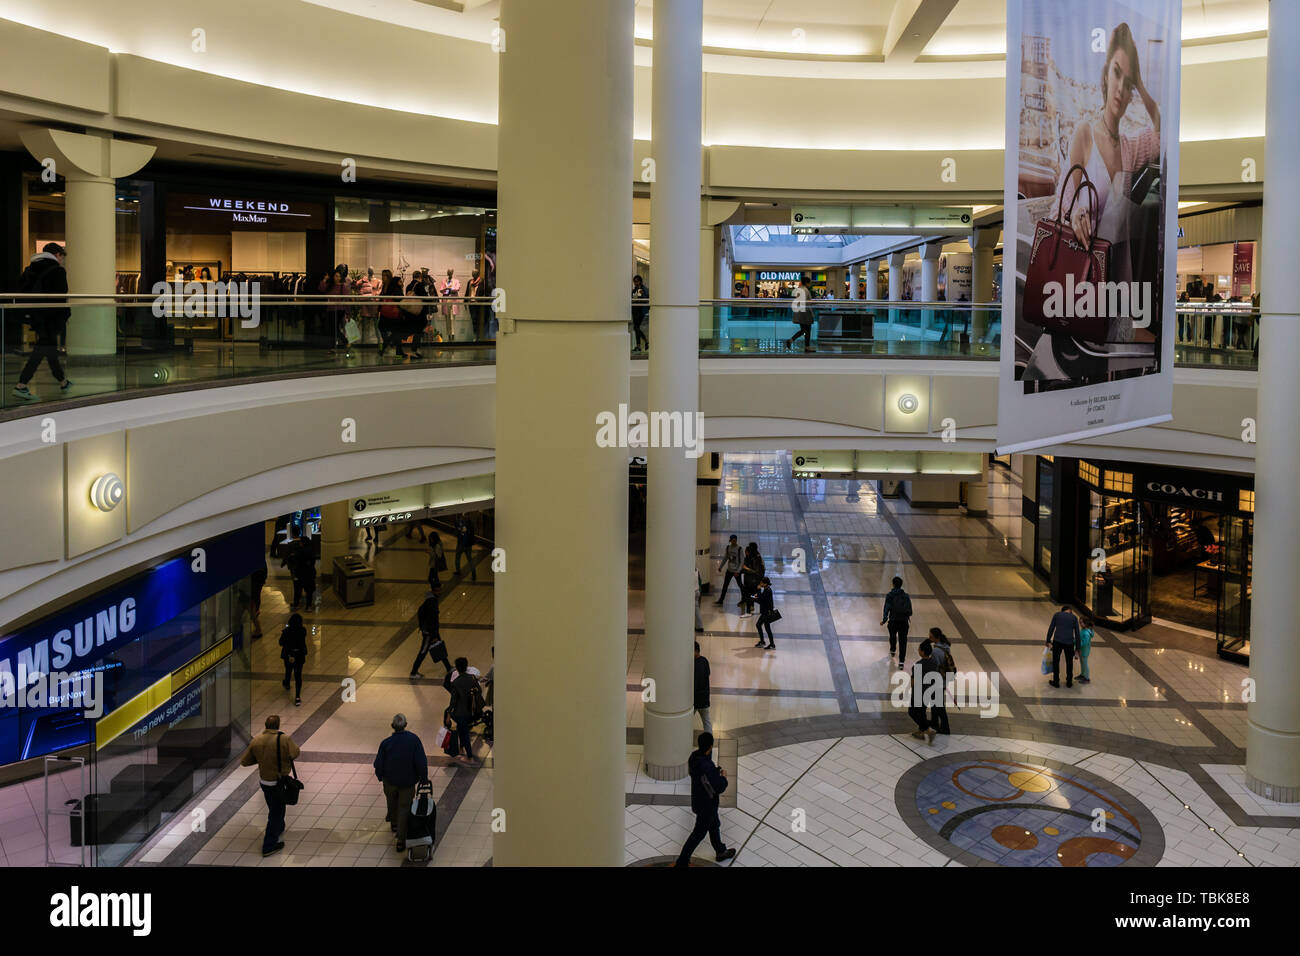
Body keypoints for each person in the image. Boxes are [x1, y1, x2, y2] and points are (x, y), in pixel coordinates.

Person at [13, 243, 72, 402]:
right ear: (57, 255)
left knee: (49, 348)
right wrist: (63, 317)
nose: (62, 260)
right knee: (41, 350)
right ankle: (21, 385)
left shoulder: (31, 268)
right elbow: (60, 296)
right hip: (50, 318)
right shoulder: (57, 271)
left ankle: (63, 381)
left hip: (35, 316)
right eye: (61, 256)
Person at [239, 715, 300, 856]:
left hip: (265, 782)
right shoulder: (283, 739)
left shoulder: (257, 740)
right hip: (279, 781)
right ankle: (269, 845)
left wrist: (262, 760)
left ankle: (279, 827)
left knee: (275, 807)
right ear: (278, 725)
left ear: (265, 725)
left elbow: (244, 761)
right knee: (275, 813)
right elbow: (295, 753)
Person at [672, 733, 737, 866]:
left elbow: (704, 779)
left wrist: (714, 771)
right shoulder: (706, 765)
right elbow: (718, 786)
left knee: (714, 825)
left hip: (699, 800)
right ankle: (682, 862)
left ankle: (720, 851)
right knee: (698, 834)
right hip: (707, 805)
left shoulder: (694, 757)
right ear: (710, 747)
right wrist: (723, 777)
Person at [374, 713, 429, 852]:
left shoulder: (385, 743)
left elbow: (378, 763)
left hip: (390, 781)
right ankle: (400, 839)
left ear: (393, 726)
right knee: (404, 808)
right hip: (408, 782)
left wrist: (381, 777)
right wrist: (424, 778)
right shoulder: (414, 740)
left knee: (391, 802)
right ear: (405, 725)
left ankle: (394, 822)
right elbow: (421, 762)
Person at [444, 657, 482, 765]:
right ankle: (461, 749)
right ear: (466, 666)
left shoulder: (456, 683)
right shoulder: (472, 678)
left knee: (464, 733)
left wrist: (448, 715)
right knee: (461, 729)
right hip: (472, 711)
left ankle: (469, 757)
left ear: (457, 668)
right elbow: (478, 691)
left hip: (461, 713)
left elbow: (453, 701)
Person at [410, 587, 450, 677]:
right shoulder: (432, 603)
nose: (440, 592)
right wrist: (434, 634)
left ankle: (448, 667)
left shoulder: (429, 601)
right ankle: (413, 672)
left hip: (431, 631)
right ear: (434, 591)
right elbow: (432, 620)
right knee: (423, 651)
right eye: (438, 590)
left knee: (439, 647)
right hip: (430, 633)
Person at [908, 640, 940, 744]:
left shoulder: (918, 665)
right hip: (929, 691)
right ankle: (921, 732)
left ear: (922, 652)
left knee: (912, 711)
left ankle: (928, 730)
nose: (918, 650)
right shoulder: (934, 663)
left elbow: (913, 683)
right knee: (922, 712)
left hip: (918, 692)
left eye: (919, 649)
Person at [881, 575, 913, 670]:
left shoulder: (890, 595)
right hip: (903, 622)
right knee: (903, 641)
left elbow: (886, 608)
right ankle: (902, 662)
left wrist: (884, 619)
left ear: (893, 584)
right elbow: (910, 611)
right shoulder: (906, 596)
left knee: (892, 636)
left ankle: (893, 649)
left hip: (893, 621)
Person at [1045, 605, 1080, 688]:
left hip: (1057, 641)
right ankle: (1069, 682)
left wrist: (1048, 640)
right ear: (1070, 610)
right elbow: (1077, 634)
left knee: (1056, 661)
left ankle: (1056, 681)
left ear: (1062, 611)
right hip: (1069, 642)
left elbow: (1051, 628)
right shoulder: (1074, 618)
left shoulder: (1057, 615)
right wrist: (1078, 648)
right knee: (1069, 662)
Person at [926, 629, 953, 735]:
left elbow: (935, 666)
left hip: (938, 681)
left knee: (939, 705)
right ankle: (934, 722)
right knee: (936, 702)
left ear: (936, 638)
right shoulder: (945, 646)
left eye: (931, 636)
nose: (929, 638)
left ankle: (945, 727)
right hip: (943, 679)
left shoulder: (936, 651)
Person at [279, 612, 308, 706]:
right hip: (299, 655)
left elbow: (281, 642)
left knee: (288, 670)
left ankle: (287, 683)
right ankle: (297, 697)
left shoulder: (286, 631)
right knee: (298, 676)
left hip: (288, 655)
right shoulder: (303, 631)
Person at [403, 269, 428, 359]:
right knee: (418, 330)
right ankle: (414, 350)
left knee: (413, 330)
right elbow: (425, 298)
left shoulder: (409, 286)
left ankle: (412, 348)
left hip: (410, 312)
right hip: (418, 313)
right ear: (420, 277)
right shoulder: (419, 285)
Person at [785, 274, 814, 352]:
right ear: (807, 283)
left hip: (800, 312)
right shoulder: (805, 290)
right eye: (809, 283)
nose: (810, 284)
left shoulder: (799, 289)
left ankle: (791, 341)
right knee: (807, 330)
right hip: (805, 313)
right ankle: (806, 346)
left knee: (804, 330)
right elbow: (807, 302)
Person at [714, 535, 743, 605]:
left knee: (740, 585)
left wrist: (738, 571)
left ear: (736, 540)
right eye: (732, 540)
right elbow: (725, 558)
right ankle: (721, 600)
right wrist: (720, 567)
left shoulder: (739, 549)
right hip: (729, 570)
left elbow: (742, 561)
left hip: (736, 571)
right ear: (730, 540)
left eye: (735, 540)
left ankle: (744, 599)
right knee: (725, 585)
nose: (734, 541)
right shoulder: (728, 548)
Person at [739, 541, 764, 616]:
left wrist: (746, 568)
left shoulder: (756, 558)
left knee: (753, 596)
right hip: (750, 581)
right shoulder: (751, 557)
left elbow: (756, 571)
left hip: (754, 581)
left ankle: (763, 605)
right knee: (751, 596)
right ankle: (749, 610)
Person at [754, 576, 777, 650]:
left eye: (762, 583)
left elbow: (761, 600)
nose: (760, 584)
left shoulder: (767, 591)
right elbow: (762, 600)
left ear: (765, 583)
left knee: (762, 626)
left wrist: (758, 591)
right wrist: (756, 597)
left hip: (766, 613)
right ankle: (768, 643)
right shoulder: (767, 589)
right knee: (763, 627)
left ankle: (766, 643)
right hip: (766, 612)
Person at [694, 641, 712, 734]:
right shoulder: (704, 660)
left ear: (696, 651)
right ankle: (709, 742)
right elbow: (708, 673)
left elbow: (695, 682)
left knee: (686, 720)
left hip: (695, 699)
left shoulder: (694, 664)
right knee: (706, 721)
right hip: (704, 697)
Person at [249, 557, 268, 638]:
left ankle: (258, 630)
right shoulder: (261, 562)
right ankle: (257, 629)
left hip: (252, 591)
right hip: (255, 590)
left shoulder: (256, 565)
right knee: (253, 612)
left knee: (252, 612)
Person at [631, 274, 649, 351]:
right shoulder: (636, 289)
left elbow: (640, 299)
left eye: (637, 281)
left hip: (640, 311)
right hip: (636, 311)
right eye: (634, 281)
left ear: (640, 281)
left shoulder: (641, 289)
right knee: (636, 328)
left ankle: (646, 341)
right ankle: (638, 346)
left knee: (636, 327)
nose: (635, 283)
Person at [455, 515, 477, 580]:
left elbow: (457, 533)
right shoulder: (471, 523)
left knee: (457, 557)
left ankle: (458, 571)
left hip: (461, 544)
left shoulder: (460, 523)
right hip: (469, 545)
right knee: (470, 559)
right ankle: (474, 574)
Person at [1077, 615, 1095, 684]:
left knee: (1085, 664)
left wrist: (1077, 642)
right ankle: (1082, 674)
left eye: (1082, 622)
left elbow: (1084, 643)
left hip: (1084, 651)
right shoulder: (1083, 630)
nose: (1080, 624)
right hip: (1082, 650)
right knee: (1082, 663)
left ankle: (1087, 678)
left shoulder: (1087, 633)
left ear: (1086, 623)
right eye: (1080, 622)